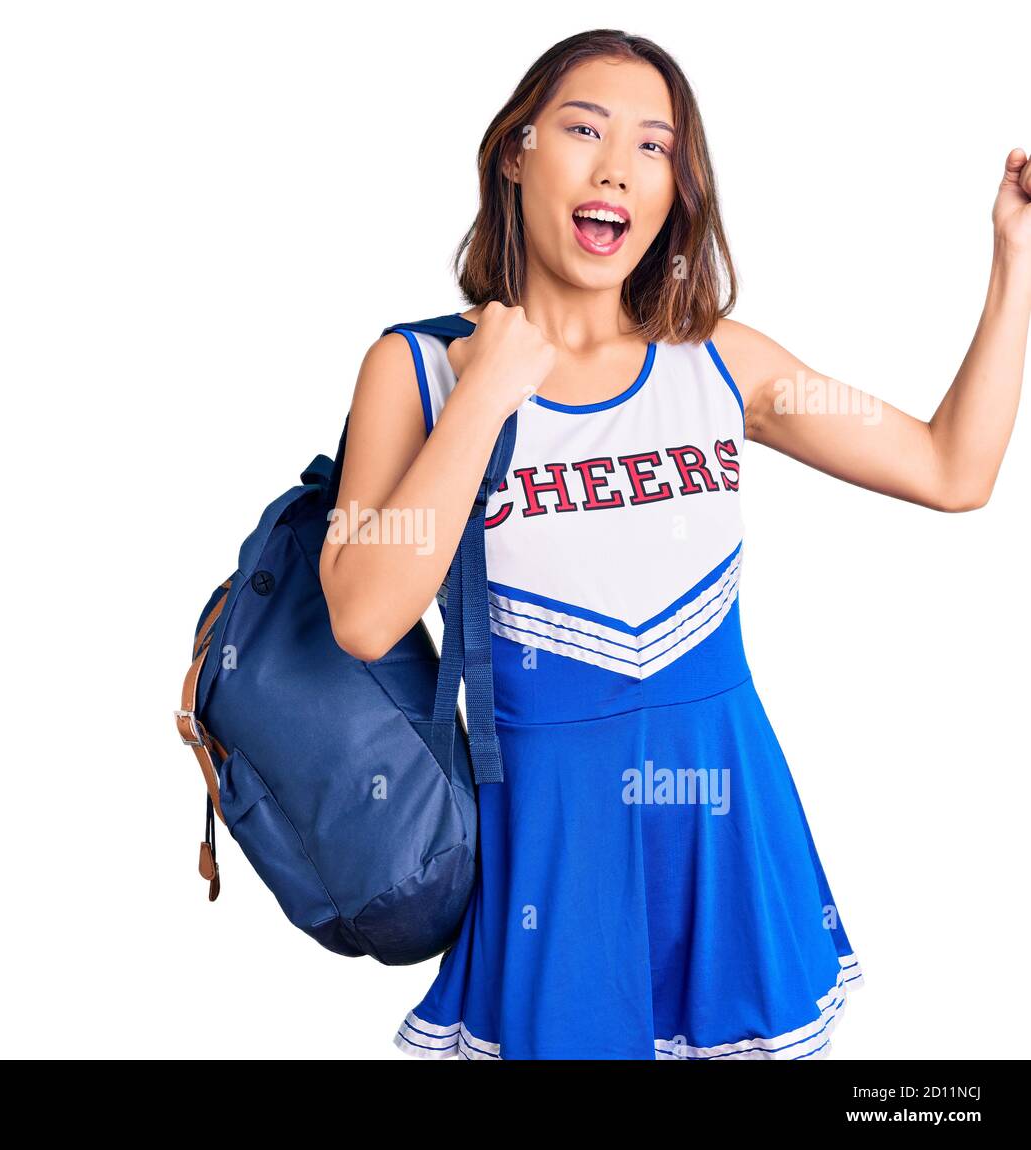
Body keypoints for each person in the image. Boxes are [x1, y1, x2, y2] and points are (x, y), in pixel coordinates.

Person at [318, 29, 1030, 1060]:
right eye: (582, 129)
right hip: (552, 846)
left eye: (653, 146)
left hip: (725, 819)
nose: (616, 165)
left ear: (674, 190)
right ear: (515, 154)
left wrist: (1013, 256)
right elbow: (363, 613)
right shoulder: (416, 369)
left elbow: (951, 468)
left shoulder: (714, 360)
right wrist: (485, 393)